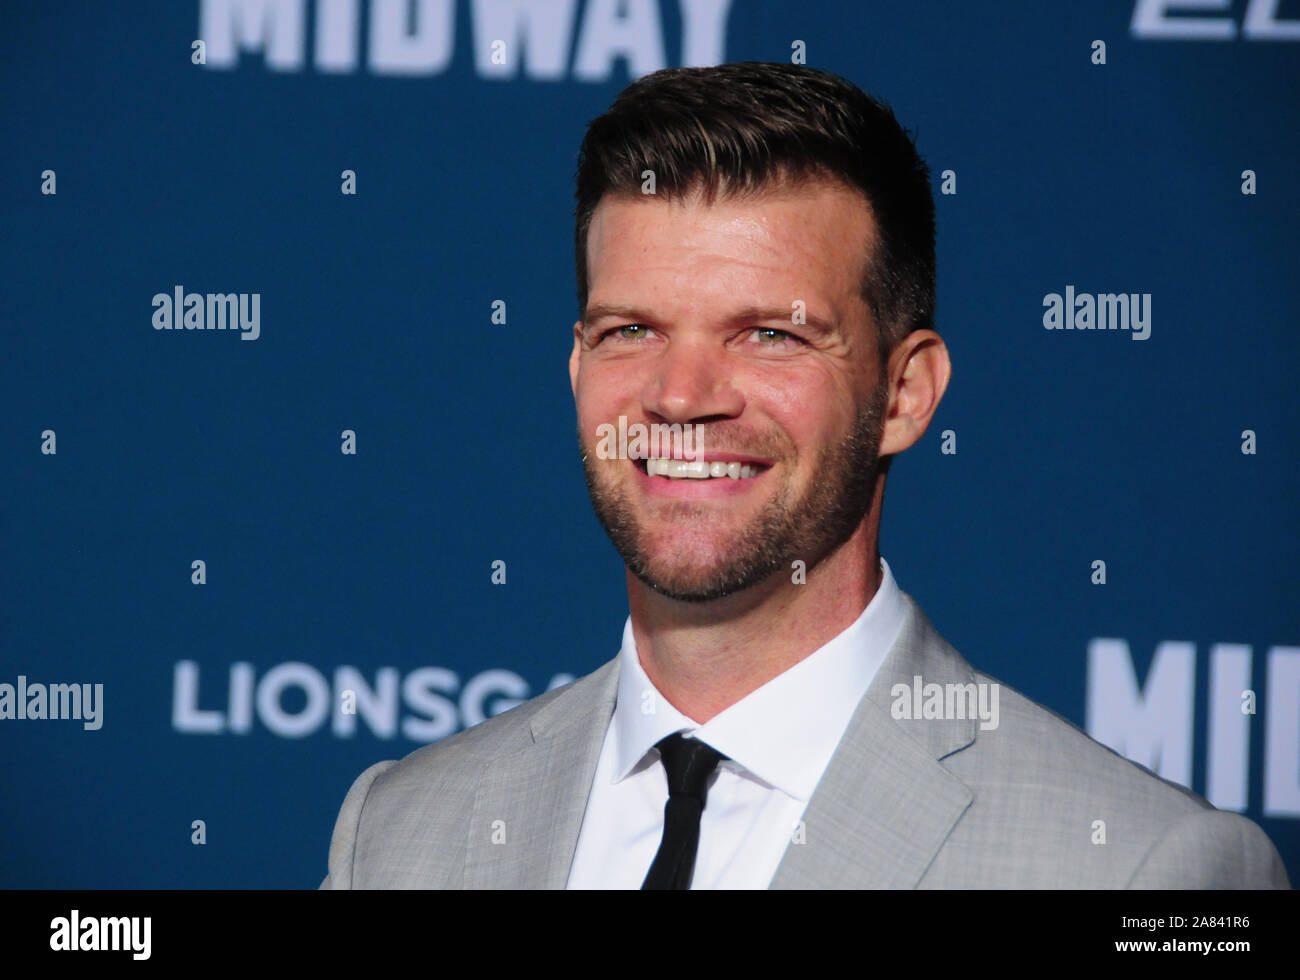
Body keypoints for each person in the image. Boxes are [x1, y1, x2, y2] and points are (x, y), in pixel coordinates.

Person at [320, 62, 1288, 889]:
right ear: (576, 370)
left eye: (771, 334)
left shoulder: (1139, 867)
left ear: (905, 392)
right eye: (631, 330)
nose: (681, 394)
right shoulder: (400, 836)